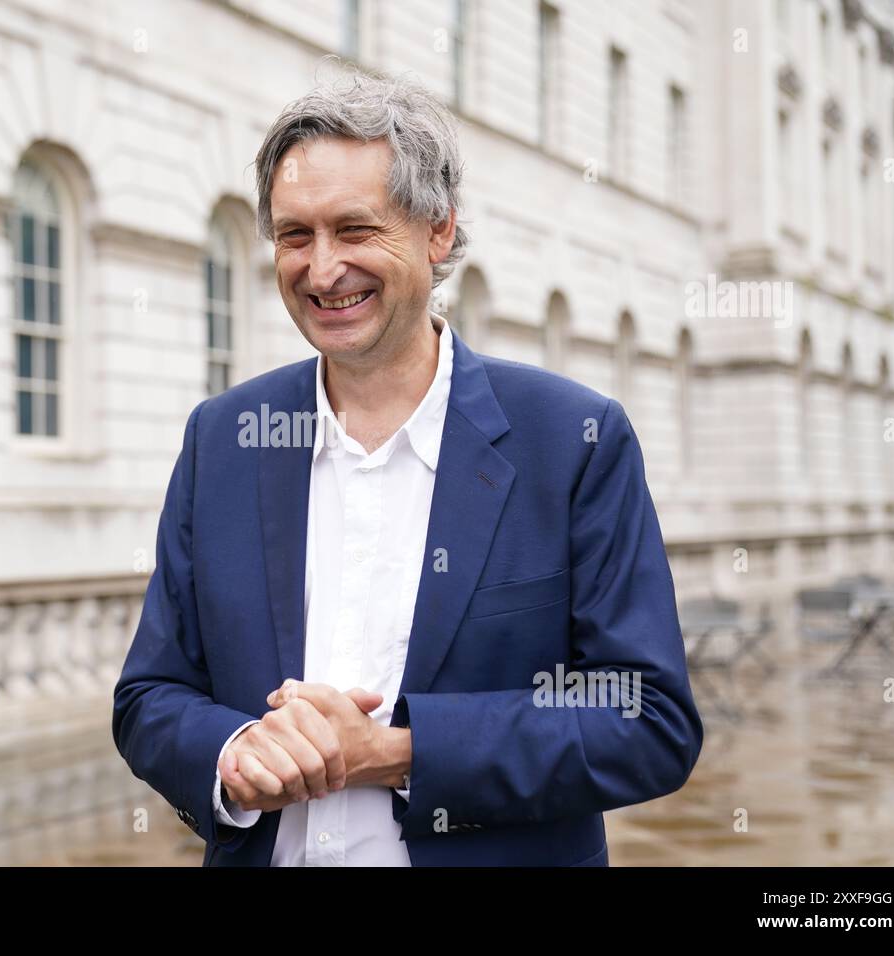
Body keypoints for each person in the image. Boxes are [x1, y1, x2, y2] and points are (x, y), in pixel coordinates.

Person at [112, 68, 702, 866]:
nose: (321, 271)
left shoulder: (574, 440)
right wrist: (237, 750)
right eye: (295, 236)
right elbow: (149, 696)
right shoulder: (225, 436)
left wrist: (392, 752)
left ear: (437, 231)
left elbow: (647, 718)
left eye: (355, 230)